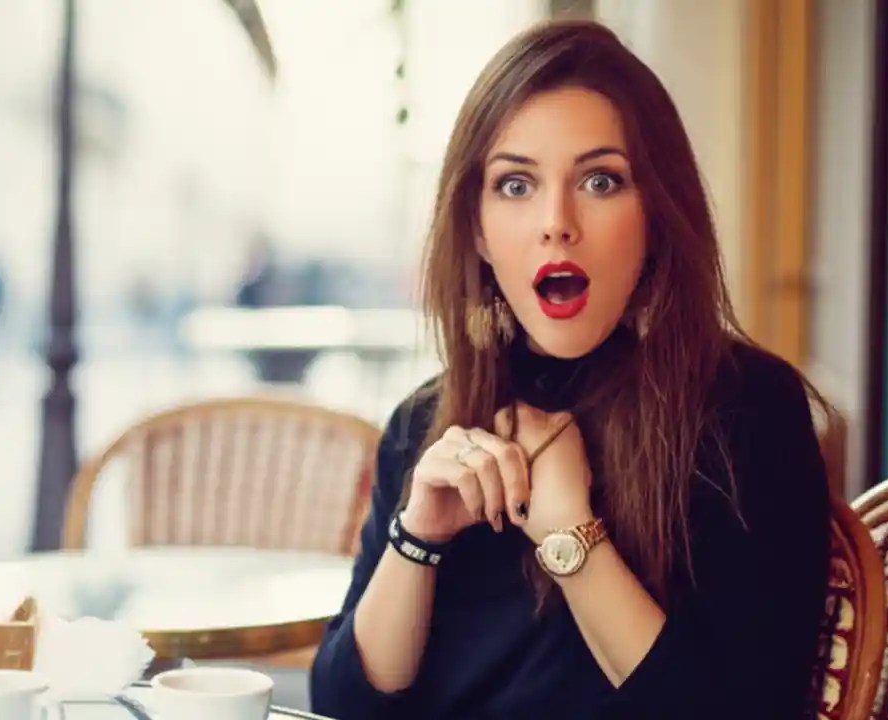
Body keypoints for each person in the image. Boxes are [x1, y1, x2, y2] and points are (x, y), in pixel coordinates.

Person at [309, 20, 831, 719]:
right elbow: (342, 706)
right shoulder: (425, 425)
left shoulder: (746, 409)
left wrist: (570, 533)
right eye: (517, 184)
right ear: (477, 231)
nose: (557, 221)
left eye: (599, 179)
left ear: (655, 216)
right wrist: (418, 538)